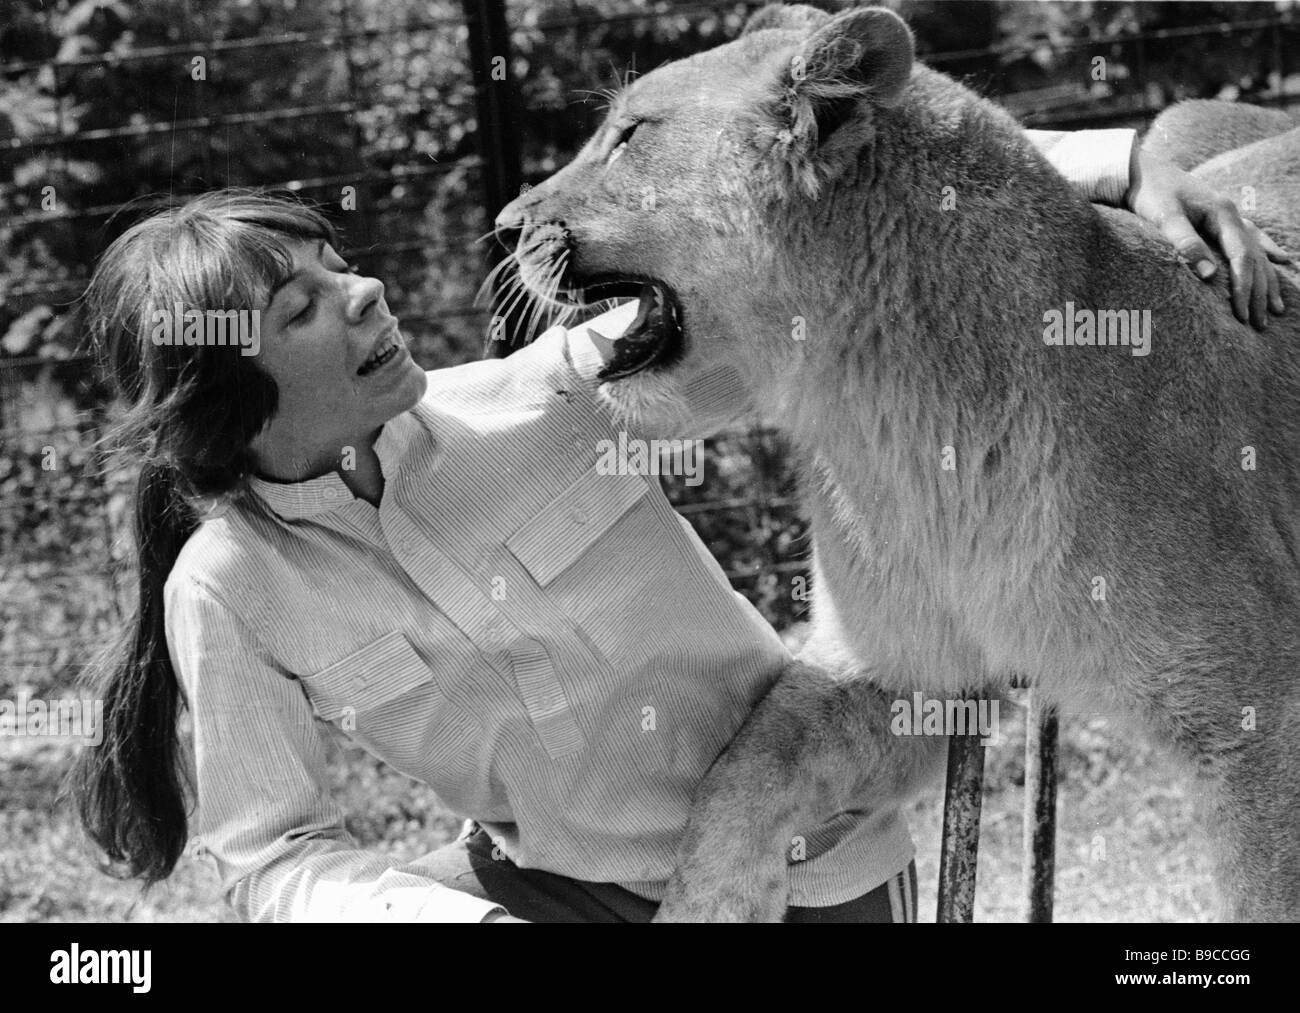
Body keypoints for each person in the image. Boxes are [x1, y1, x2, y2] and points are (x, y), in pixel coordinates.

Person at [70, 126, 1288, 923]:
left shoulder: (553, 397)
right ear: (227, 388)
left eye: (339, 262)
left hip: (807, 860)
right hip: (546, 896)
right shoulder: (225, 588)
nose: (367, 289)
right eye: (305, 305)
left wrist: (1122, 157)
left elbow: (804, 214)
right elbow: (269, 853)